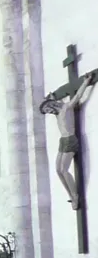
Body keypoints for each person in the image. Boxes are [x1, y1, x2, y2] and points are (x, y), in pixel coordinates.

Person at [40, 71, 96, 210]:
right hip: (63, 141)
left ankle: (75, 196)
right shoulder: (58, 114)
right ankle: (70, 195)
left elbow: (77, 96)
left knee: (64, 170)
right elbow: (50, 101)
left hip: (70, 140)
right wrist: (50, 98)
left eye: (48, 108)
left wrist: (85, 82)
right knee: (58, 170)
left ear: (52, 104)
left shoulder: (66, 108)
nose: (49, 111)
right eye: (47, 110)